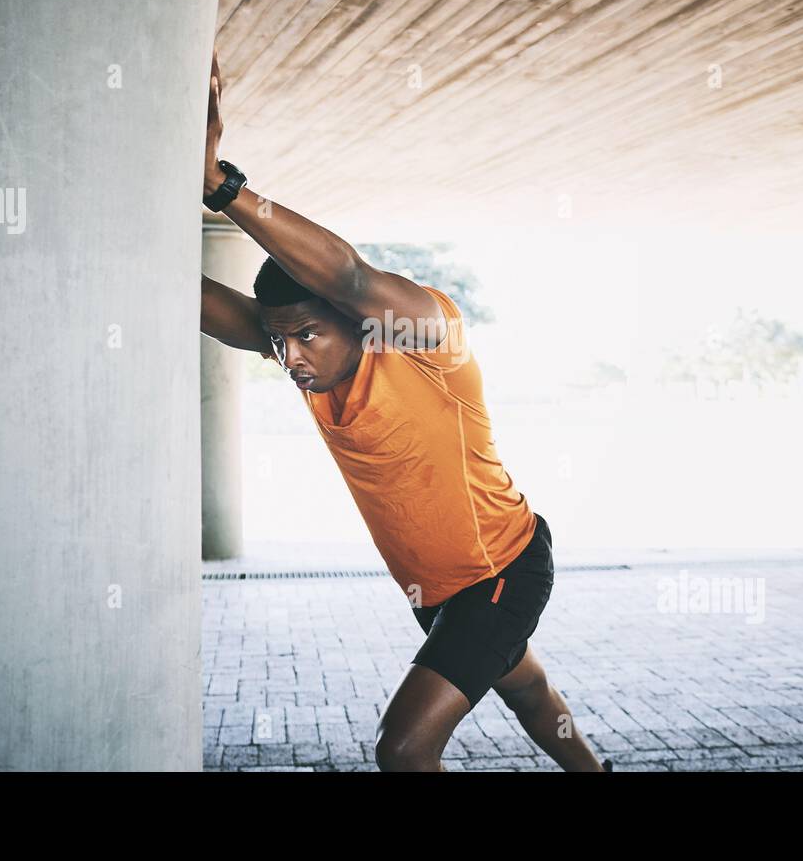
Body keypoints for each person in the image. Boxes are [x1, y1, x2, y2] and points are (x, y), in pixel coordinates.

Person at [200, 54, 609, 773]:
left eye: (303, 335)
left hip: (501, 568)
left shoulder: (427, 341)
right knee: (530, 690)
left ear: (356, 321)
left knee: (404, 749)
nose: (288, 357)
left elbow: (349, 275)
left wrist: (222, 188)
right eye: (277, 340)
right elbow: (195, 300)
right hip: (438, 591)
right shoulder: (310, 366)